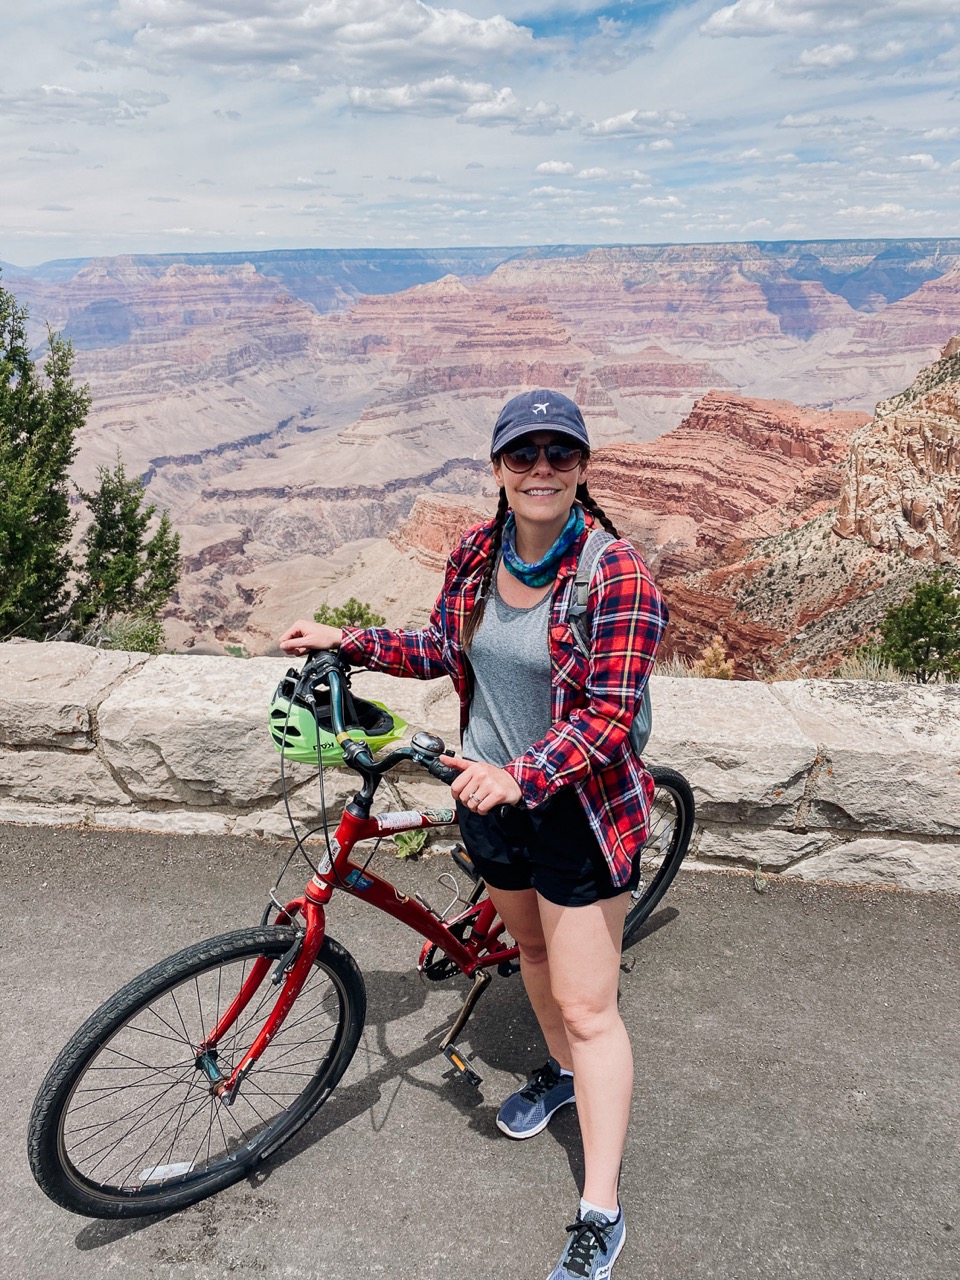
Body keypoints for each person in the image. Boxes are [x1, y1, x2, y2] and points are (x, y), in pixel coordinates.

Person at [279, 389, 668, 1280]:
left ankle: (600, 1207)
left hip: (576, 809)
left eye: (558, 455)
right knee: (529, 954)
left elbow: (609, 717)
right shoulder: (475, 554)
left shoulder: (617, 577)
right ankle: (561, 1079)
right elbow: (441, 647)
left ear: (581, 469)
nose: (540, 470)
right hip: (485, 799)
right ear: (498, 468)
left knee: (588, 1008)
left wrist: (523, 772)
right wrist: (350, 640)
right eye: (522, 455)